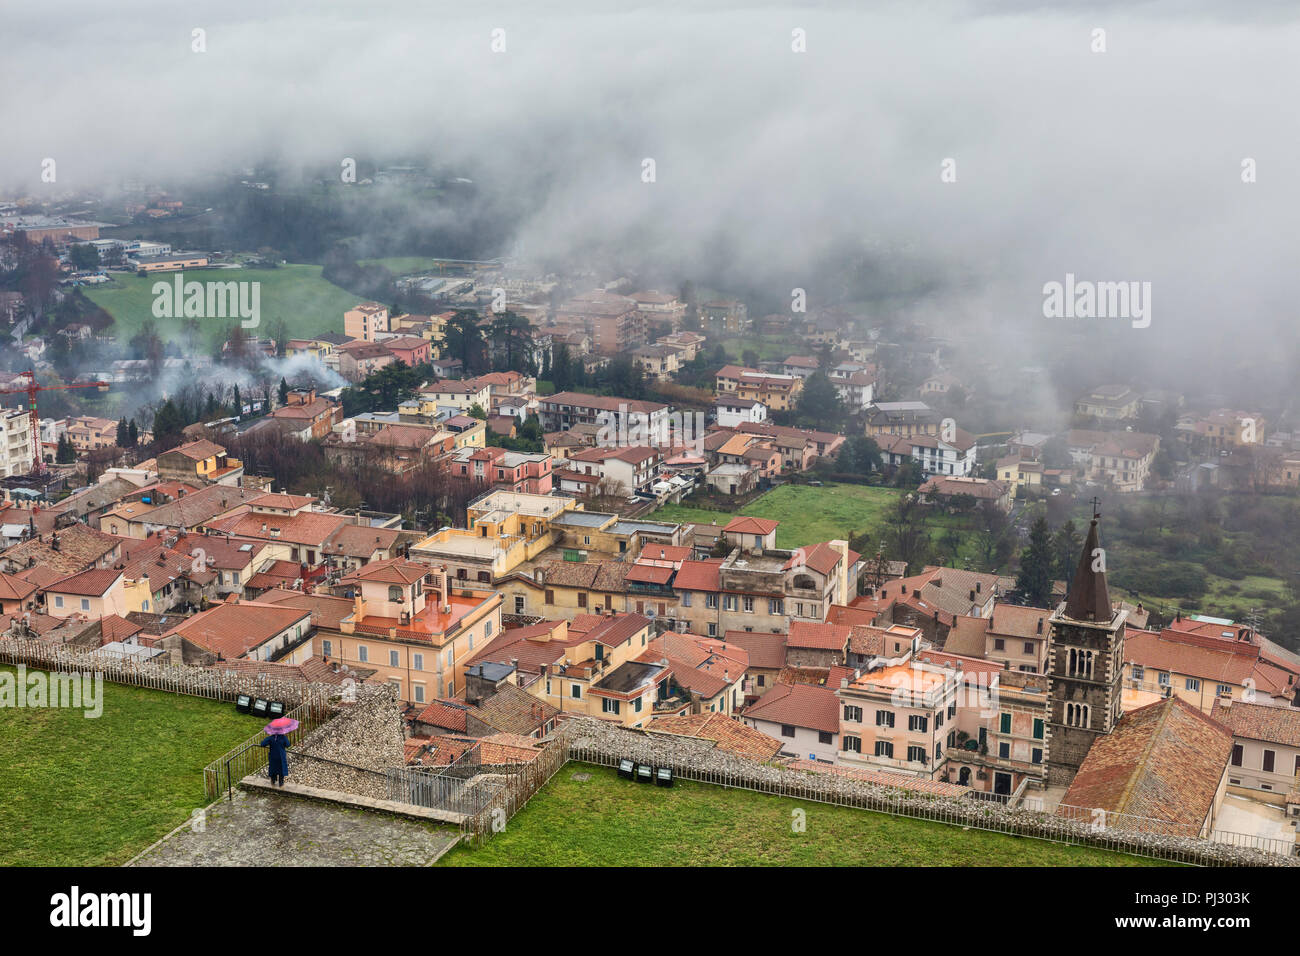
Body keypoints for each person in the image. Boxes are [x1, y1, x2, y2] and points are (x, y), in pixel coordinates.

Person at [258, 716, 298, 787]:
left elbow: (262, 744)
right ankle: (281, 783)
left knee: (273, 767)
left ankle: (273, 781)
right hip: (281, 756)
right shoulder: (283, 737)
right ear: (282, 729)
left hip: (273, 756)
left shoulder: (270, 738)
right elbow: (288, 745)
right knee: (281, 768)